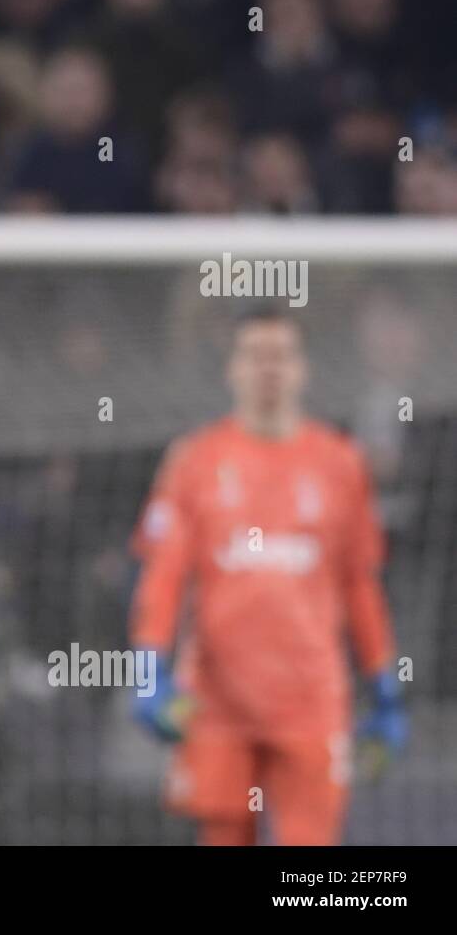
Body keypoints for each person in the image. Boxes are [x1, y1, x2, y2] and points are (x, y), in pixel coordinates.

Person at [129, 304, 406, 845]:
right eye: (255, 356)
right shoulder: (194, 461)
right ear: (232, 367)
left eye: (280, 356)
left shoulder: (341, 463)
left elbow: (360, 586)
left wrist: (384, 682)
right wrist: (147, 667)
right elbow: (162, 580)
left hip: (312, 704)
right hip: (218, 705)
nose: (269, 369)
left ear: (303, 368)